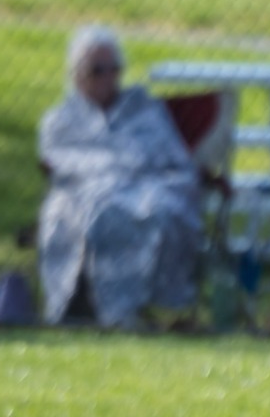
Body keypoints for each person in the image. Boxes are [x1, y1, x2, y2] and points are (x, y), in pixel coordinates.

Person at [37, 25, 203, 330]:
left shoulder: (144, 109)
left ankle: (155, 308)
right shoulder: (61, 121)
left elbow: (173, 158)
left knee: (163, 212)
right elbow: (64, 165)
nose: (107, 78)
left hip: (150, 187)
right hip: (87, 193)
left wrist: (138, 176)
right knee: (105, 214)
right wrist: (116, 172)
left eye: (114, 69)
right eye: (97, 70)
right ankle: (116, 311)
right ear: (77, 74)